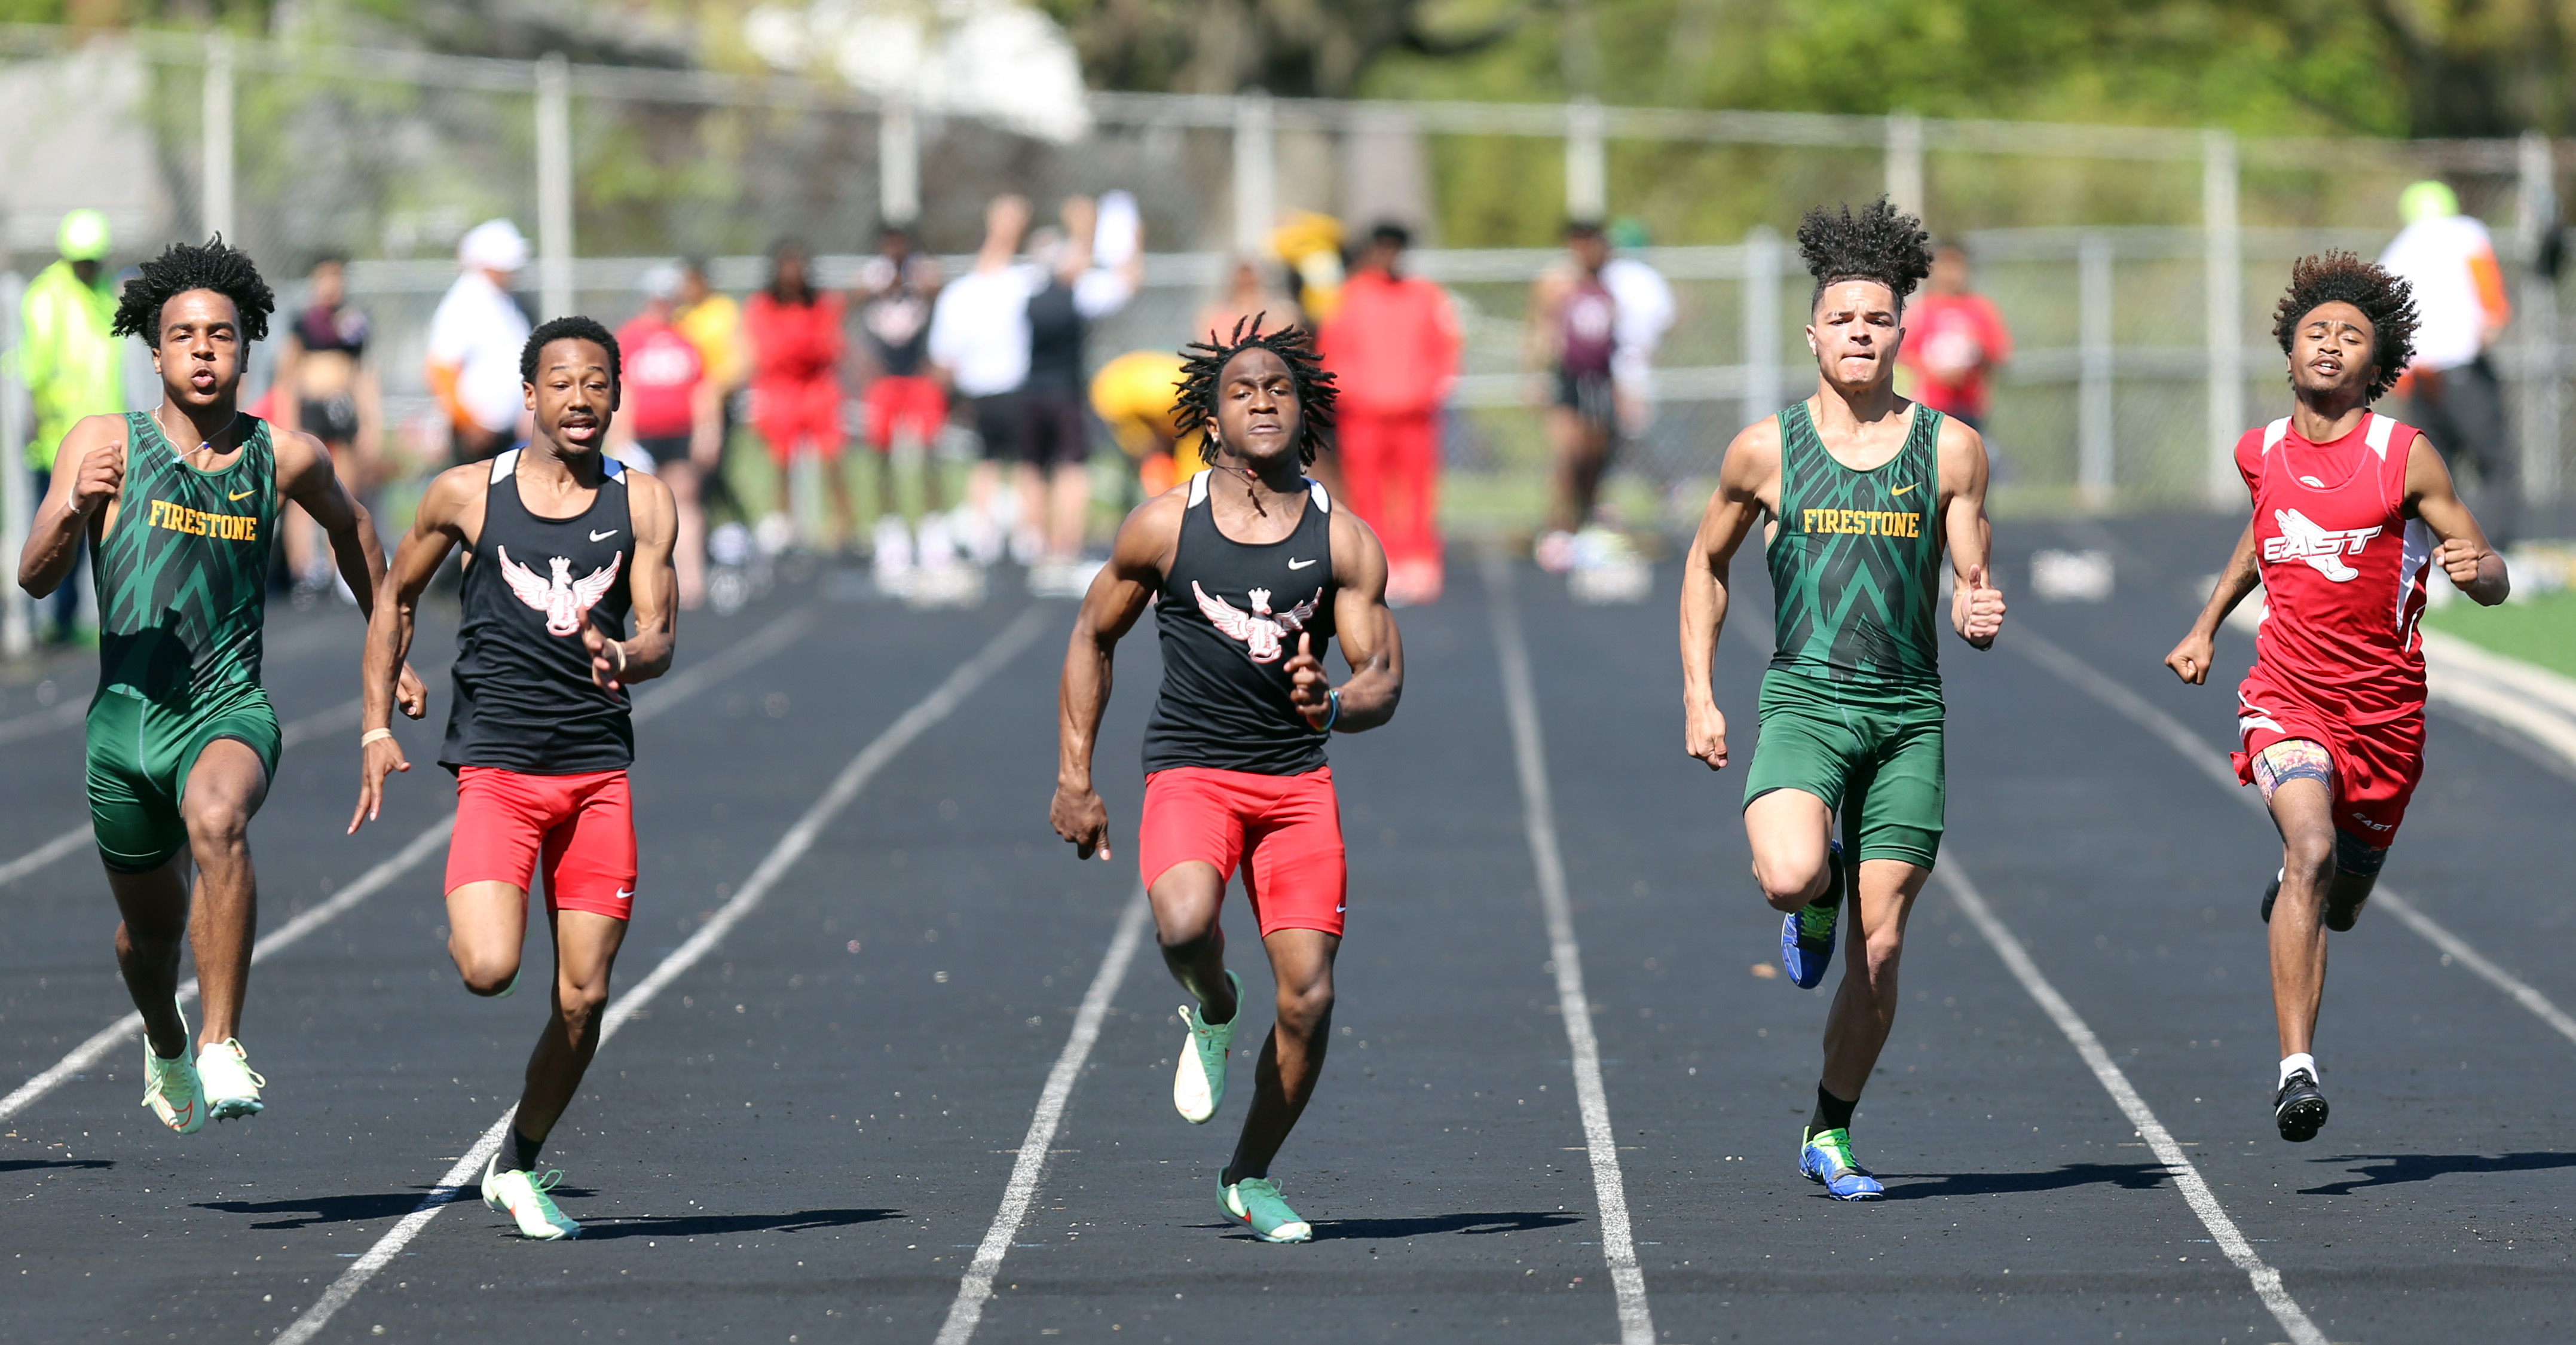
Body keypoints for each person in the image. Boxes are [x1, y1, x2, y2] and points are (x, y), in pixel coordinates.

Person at [16, 239, 421, 1135]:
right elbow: (35, 575)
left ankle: (220, 1041)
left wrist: (388, 647)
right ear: (154, 352)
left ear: (249, 350)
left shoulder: (285, 457)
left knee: (216, 819)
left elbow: (359, 538)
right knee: (150, 939)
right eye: (184, 336)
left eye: (222, 336)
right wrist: (75, 506)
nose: (203, 350)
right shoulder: (105, 441)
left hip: (227, 707)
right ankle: (164, 1036)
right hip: (124, 731)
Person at [1677, 200, 2006, 1200]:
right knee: (1787, 875)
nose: (1860, 333)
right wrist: (1700, 694)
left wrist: (1977, 606)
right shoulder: (1762, 451)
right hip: (1808, 705)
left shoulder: (1950, 450)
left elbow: (1970, 570)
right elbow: (1705, 565)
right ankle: (1816, 898)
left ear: (1903, 332)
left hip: (1909, 715)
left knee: (1885, 944)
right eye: (1843, 319)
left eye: (1877, 319)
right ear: (1812, 334)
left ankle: (1831, 1127)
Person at [1051, 318, 1404, 1243]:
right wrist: (1075, 777)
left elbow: (1383, 680)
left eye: (1278, 389)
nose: (1260, 399)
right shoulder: (1167, 524)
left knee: (1311, 996)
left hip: (1293, 787)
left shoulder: (1345, 540)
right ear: (1210, 419)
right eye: (1241, 389)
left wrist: (1331, 703)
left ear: (1304, 412)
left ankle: (1249, 1174)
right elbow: (1092, 635)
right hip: (1191, 771)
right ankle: (1212, 1006)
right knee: (1183, 924)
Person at [2162, 252, 2507, 1144]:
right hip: (2285, 694)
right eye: (2315, 331)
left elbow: (2484, 565)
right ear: (2288, 352)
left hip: (2385, 716)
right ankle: (2295, 1069)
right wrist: (2205, 625)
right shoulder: (2259, 450)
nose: (2329, 343)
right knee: (2308, 848)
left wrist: (2481, 574)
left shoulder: (2405, 456)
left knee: (2339, 899)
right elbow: (2260, 534)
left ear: (2375, 364)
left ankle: (2302, 893)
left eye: (2350, 334)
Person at [351, 316, 680, 1240]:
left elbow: (660, 633)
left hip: (596, 775)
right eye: (561, 383)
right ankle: (472, 896)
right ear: (528, 395)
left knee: (584, 998)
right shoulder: (466, 495)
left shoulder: (646, 503)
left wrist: (627, 653)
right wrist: (377, 718)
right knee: (488, 969)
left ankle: (518, 1160)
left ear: (617, 395)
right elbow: (396, 594)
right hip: (498, 770)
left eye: (597, 384)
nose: (580, 400)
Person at [1317, 221, 1460, 606]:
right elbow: (1332, 351)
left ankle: (1419, 560)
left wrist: (1432, 386)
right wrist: (1349, 391)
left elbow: (1446, 346)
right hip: (1364, 414)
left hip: (1415, 413)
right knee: (1368, 490)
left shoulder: (1425, 295)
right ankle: (1378, 561)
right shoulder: (1349, 297)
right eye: (1382, 247)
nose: (1388, 255)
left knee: (1417, 490)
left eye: (1395, 247)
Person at [2379, 181, 2518, 545]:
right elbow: (2490, 297)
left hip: (2417, 376)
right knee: (2496, 462)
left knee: (2433, 471)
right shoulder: (2466, 233)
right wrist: (2492, 319)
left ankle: (2438, 554)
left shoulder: (2395, 252)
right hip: (2461, 366)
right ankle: (2493, 549)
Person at [1017, 197, 1142, 594]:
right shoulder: (1074, 295)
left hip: (1030, 390)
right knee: (1069, 469)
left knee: (1034, 467)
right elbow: (1124, 283)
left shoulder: (1022, 293)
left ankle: (1038, 548)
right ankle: (1063, 548)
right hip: (1064, 391)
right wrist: (1093, 232)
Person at [19, 208, 124, 644]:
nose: (89, 268)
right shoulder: (46, 297)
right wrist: (35, 423)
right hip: (57, 438)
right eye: (82, 260)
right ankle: (46, 622)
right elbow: (33, 371)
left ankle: (72, 618)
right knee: (55, 526)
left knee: (97, 531)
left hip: (102, 435)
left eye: (94, 260)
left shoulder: (101, 293)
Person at [929, 194, 1036, 565]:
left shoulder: (1019, 283)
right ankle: (992, 536)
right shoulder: (966, 293)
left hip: (1013, 387)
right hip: (987, 390)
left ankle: (1021, 536)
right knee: (996, 462)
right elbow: (945, 357)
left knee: (1014, 463)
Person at [273, 254, 383, 606]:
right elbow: (287, 375)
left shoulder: (354, 322)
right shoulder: (304, 322)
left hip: (343, 409)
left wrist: (370, 424)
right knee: (302, 494)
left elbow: (364, 374)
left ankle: (341, 574)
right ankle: (304, 571)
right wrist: (289, 423)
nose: (332, 285)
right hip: (312, 410)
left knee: (346, 491)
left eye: (338, 278)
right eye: (326, 278)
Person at [614, 266, 721, 609]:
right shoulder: (629, 338)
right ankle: (636, 581)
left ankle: (691, 579)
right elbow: (622, 391)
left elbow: (703, 390)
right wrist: (622, 439)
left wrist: (708, 433)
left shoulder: (687, 339)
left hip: (679, 434)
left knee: (685, 501)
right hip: (643, 435)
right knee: (638, 508)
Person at [852, 224, 952, 576]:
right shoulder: (872, 276)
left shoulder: (923, 273)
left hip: (918, 375)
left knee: (929, 453)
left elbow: (941, 300)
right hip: (885, 379)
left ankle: (932, 528)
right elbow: (851, 308)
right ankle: (890, 529)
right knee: (881, 455)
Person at [744, 239, 852, 549]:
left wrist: (801, 349)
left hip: (817, 386)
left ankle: (844, 525)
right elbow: (768, 352)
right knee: (782, 460)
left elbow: (830, 345)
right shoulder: (763, 305)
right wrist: (801, 348)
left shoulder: (821, 303)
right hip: (781, 388)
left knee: (833, 457)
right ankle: (785, 523)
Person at [1531, 220, 1623, 571]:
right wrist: (1537, 376)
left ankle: (1588, 522)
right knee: (1567, 452)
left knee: (1595, 453)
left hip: (1599, 379)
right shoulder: (1556, 284)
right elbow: (1540, 329)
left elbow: (1613, 340)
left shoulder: (1608, 286)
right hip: (1567, 378)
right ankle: (1558, 528)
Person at [427, 219, 535, 464]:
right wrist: (468, 422)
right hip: (479, 435)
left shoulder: (506, 301)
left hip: (510, 431)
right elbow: (441, 368)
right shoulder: (464, 302)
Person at [1895, 243, 2011, 433]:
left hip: (1968, 407)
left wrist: (1977, 357)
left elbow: (1999, 354)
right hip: (1930, 407)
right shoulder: (1922, 310)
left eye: (1957, 267)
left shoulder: (1980, 309)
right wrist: (1936, 374)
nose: (1952, 274)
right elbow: (1905, 355)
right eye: (1946, 267)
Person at [673, 258, 749, 528]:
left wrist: (716, 388)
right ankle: (713, 531)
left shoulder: (724, 311)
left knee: (714, 470)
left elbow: (741, 360)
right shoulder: (681, 317)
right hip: (690, 408)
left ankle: (738, 525)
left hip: (720, 403)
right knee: (694, 473)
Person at [1602, 217, 1677, 440]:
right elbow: (1666, 319)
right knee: (1640, 424)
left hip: (1609, 358)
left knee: (1611, 422)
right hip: (1643, 356)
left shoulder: (1607, 275)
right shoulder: (1650, 278)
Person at [1091, 348, 1197, 500]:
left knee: (1156, 456)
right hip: (1124, 393)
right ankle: (1170, 501)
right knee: (1153, 455)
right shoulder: (1169, 398)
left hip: (1123, 387)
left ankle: (1169, 501)